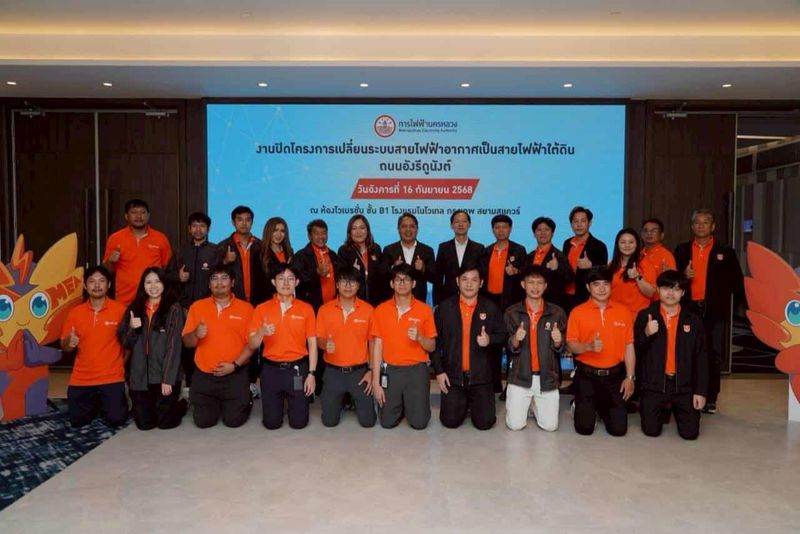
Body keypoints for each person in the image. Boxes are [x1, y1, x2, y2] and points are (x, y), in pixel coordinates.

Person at [674, 208, 745, 414]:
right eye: (697, 222)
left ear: (713, 226)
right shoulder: (682, 250)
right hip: (689, 309)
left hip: (714, 310)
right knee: (688, 352)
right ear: (692, 226)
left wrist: (742, 309)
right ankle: (687, 393)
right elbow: (672, 280)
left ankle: (711, 397)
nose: (701, 225)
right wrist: (683, 275)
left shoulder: (726, 251)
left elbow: (736, 282)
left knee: (713, 354)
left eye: (706, 222)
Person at [634, 270, 708, 440]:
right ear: (658, 290)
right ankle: (660, 409)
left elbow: (702, 358)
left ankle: (673, 408)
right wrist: (645, 333)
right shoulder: (645, 316)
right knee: (651, 431)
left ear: (682, 293)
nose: (670, 293)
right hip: (654, 385)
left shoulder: (694, 320)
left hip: (684, 386)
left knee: (690, 434)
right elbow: (635, 351)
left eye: (676, 289)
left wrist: (701, 391)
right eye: (666, 288)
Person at [182, 265, 254, 428]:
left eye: (224, 278)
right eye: (214, 278)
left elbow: (251, 345)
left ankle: (245, 396)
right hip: (205, 374)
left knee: (233, 421)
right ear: (209, 284)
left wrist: (234, 366)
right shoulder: (197, 307)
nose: (219, 283)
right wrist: (195, 334)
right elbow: (187, 343)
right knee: (203, 422)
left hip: (235, 372)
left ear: (233, 282)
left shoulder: (246, 308)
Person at [432, 263, 503, 430]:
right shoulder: (444, 308)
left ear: (481, 283)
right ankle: (463, 403)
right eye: (464, 279)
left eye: (474, 280)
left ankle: (474, 404)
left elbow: (503, 336)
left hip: (481, 378)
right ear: (457, 281)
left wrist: (490, 340)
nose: (469, 284)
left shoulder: (491, 308)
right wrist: (439, 371)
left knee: (485, 424)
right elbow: (434, 342)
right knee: (450, 422)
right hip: (453, 377)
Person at [566, 267, 635, 436]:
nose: (602, 288)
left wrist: (630, 377)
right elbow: (571, 345)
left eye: (606, 284)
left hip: (614, 377)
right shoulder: (578, 312)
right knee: (584, 429)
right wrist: (587, 347)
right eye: (596, 284)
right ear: (589, 287)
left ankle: (602, 406)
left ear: (611, 286)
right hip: (587, 376)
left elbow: (629, 346)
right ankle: (582, 403)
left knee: (619, 430)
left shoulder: (623, 312)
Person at [247, 263, 317, 429]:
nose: (286, 283)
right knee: (271, 423)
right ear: (273, 282)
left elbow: (312, 344)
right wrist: (262, 332)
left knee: (299, 423)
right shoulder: (262, 309)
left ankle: (293, 404)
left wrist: (311, 374)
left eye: (290, 279)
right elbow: (252, 344)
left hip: (297, 370)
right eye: (281, 279)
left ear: (297, 282)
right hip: (271, 370)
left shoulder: (306, 309)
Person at [117, 267, 187, 430]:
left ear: (164, 284)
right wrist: (132, 328)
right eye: (148, 282)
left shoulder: (173, 308)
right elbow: (125, 343)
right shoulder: (134, 308)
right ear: (143, 285)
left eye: (157, 281)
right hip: (140, 377)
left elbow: (174, 346)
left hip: (164, 375)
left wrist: (168, 378)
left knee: (165, 423)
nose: (153, 286)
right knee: (144, 424)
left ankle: (182, 404)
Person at [60, 266, 129, 427]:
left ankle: (114, 398)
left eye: (101, 281)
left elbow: (129, 344)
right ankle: (98, 401)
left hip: (111, 376)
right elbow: (65, 346)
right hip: (82, 377)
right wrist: (68, 342)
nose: (97, 285)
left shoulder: (120, 310)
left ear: (109, 285)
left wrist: (120, 365)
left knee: (116, 419)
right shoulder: (75, 313)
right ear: (85, 286)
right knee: (77, 421)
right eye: (92, 281)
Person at [371, 264, 437, 429]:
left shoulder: (425, 310)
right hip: (390, 370)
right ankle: (401, 405)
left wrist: (420, 338)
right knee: (386, 423)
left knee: (419, 423)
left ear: (413, 284)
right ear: (392, 284)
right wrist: (375, 382)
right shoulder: (381, 310)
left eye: (406, 279)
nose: (402, 283)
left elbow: (432, 346)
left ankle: (411, 405)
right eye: (398, 280)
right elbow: (377, 347)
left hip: (416, 370)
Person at [504, 265, 567, 432]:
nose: (535, 287)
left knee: (550, 427)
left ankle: (534, 404)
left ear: (546, 286)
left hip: (546, 378)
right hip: (520, 377)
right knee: (515, 425)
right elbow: (509, 347)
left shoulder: (557, 312)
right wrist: (516, 339)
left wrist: (559, 341)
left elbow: (562, 348)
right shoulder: (512, 312)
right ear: (523, 284)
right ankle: (528, 401)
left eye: (539, 283)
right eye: (531, 282)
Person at [316, 267, 376, 427]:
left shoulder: (369, 310)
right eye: (343, 281)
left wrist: (371, 371)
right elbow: (319, 339)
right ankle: (341, 401)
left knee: (368, 422)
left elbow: (372, 343)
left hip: (359, 373)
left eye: (352, 282)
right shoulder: (324, 310)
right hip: (333, 372)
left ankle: (356, 401)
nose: (348, 286)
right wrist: (324, 345)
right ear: (337, 285)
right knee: (329, 422)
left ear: (358, 286)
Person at [479, 214, 526, 395]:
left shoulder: (519, 250)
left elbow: (528, 276)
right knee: (493, 344)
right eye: (497, 227)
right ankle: (494, 383)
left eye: (504, 227)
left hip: (511, 303)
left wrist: (516, 271)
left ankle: (511, 386)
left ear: (510, 229)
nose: (501, 230)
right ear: (492, 230)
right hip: (490, 303)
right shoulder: (486, 251)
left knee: (512, 345)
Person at [102, 199, 173, 306]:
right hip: (124, 300)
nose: (139, 216)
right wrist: (111, 261)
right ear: (126, 216)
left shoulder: (160, 238)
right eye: (134, 212)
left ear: (148, 215)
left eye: (143, 212)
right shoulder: (115, 238)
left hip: (153, 299)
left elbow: (168, 269)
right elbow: (107, 270)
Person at [176, 211, 216, 389]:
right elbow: (166, 276)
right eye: (194, 226)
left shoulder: (215, 251)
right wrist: (178, 277)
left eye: (202, 226)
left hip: (208, 308)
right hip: (185, 308)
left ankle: (207, 383)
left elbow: (222, 278)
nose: (198, 230)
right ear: (189, 229)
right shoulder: (181, 251)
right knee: (186, 345)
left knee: (207, 343)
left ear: (208, 229)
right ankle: (189, 385)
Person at [379, 213, 436, 303]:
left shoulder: (427, 250)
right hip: (395, 301)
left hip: (419, 301)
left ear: (417, 229)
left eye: (412, 226)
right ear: (398, 229)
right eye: (404, 226)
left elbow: (434, 278)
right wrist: (393, 267)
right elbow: (381, 275)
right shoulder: (389, 250)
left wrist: (423, 269)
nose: (408, 230)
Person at [433, 210, 484, 307]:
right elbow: (438, 278)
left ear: (469, 224)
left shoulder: (479, 248)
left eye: (464, 221)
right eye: (457, 222)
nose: (460, 224)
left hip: (472, 298)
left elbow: (481, 276)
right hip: (448, 298)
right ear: (451, 225)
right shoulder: (443, 247)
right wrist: (437, 302)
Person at [562, 206, 608, 312]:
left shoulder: (599, 246)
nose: (579, 225)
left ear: (590, 222)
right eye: (575, 221)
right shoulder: (567, 243)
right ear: (571, 224)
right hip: (566, 296)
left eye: (583, 221)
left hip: (586, 296)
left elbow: (603, 273)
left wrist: (591, 266)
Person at [217, 205, 264, 304]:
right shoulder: (223, 246)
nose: (244, 223)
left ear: (252, 222)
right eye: (240, 220)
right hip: (233, 300)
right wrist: (225, 261)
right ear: (233, 222)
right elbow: (214, 273)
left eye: (247, 220)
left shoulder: (261, 246)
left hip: (258, 300)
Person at [526, 216, 573, 311]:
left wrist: (557, 268)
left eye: (546, 230)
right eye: (539, 230)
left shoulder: (559, 256)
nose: (543, 233)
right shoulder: (529, 256)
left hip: (552, 305)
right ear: (534, 233)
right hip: (530, 304)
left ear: (552, 233)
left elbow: (570, 278)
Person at [608, 228, 657, 317]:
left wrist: (637, 276)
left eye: (631, 242)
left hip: (637, 316)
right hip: (614, 314)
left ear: (637, 244)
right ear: (617, 245)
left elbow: (651, 293)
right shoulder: (611, 265)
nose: (627, 245)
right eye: (623, 242)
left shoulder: (645, 263)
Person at [292, 219, 339, 312]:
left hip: (334, 307)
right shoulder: (301, 256)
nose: (321, 236)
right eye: (316, 233)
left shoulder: (333, 255)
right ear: (309, 236)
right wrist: (316, 272)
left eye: (324, 233)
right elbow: (298, 280)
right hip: (311, 308)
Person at [337, 214, 384, 306]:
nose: (358, 232)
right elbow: (341, 277)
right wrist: (354, 270)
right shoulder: (344, 251)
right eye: (354, 228)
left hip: (375, 300)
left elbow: (380, 276)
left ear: (367, 230)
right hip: (354, 300)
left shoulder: (376, 249)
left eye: (362, 228)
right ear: (349, 232)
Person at [259, 216, 294, 301]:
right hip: (267, 300)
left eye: (282, 231)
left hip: (287, 299)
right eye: (275, 230)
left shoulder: (289, 251)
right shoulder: (259, 253)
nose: (279, 234)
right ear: (268, 232)